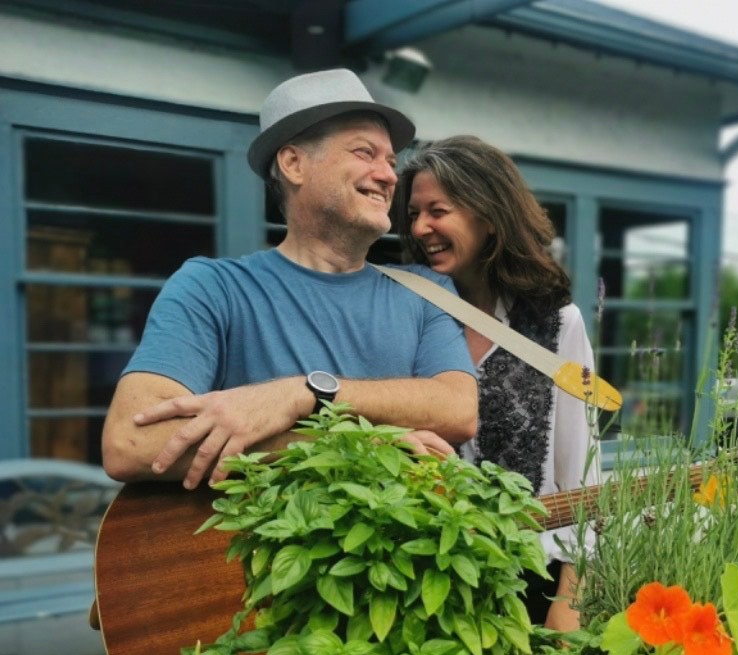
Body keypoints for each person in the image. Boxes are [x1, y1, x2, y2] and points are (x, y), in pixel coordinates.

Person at [101, 69, 477, 489]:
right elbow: (130, 444)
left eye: (391, 161)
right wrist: (354, 443)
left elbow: (458, 409)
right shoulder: (212, 288)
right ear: (294, 164)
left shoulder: (425, 291)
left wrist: (301, 394)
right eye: (364, 152)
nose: (390, 175)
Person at [394, 135, 602, 632]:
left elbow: (582, 473)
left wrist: (569, 601)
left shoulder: (556, 324)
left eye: (437, 211)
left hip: (531, 578)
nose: (421, 228)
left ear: (489, 216)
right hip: (425, 582)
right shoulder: (404, 315)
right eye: (414, 214)